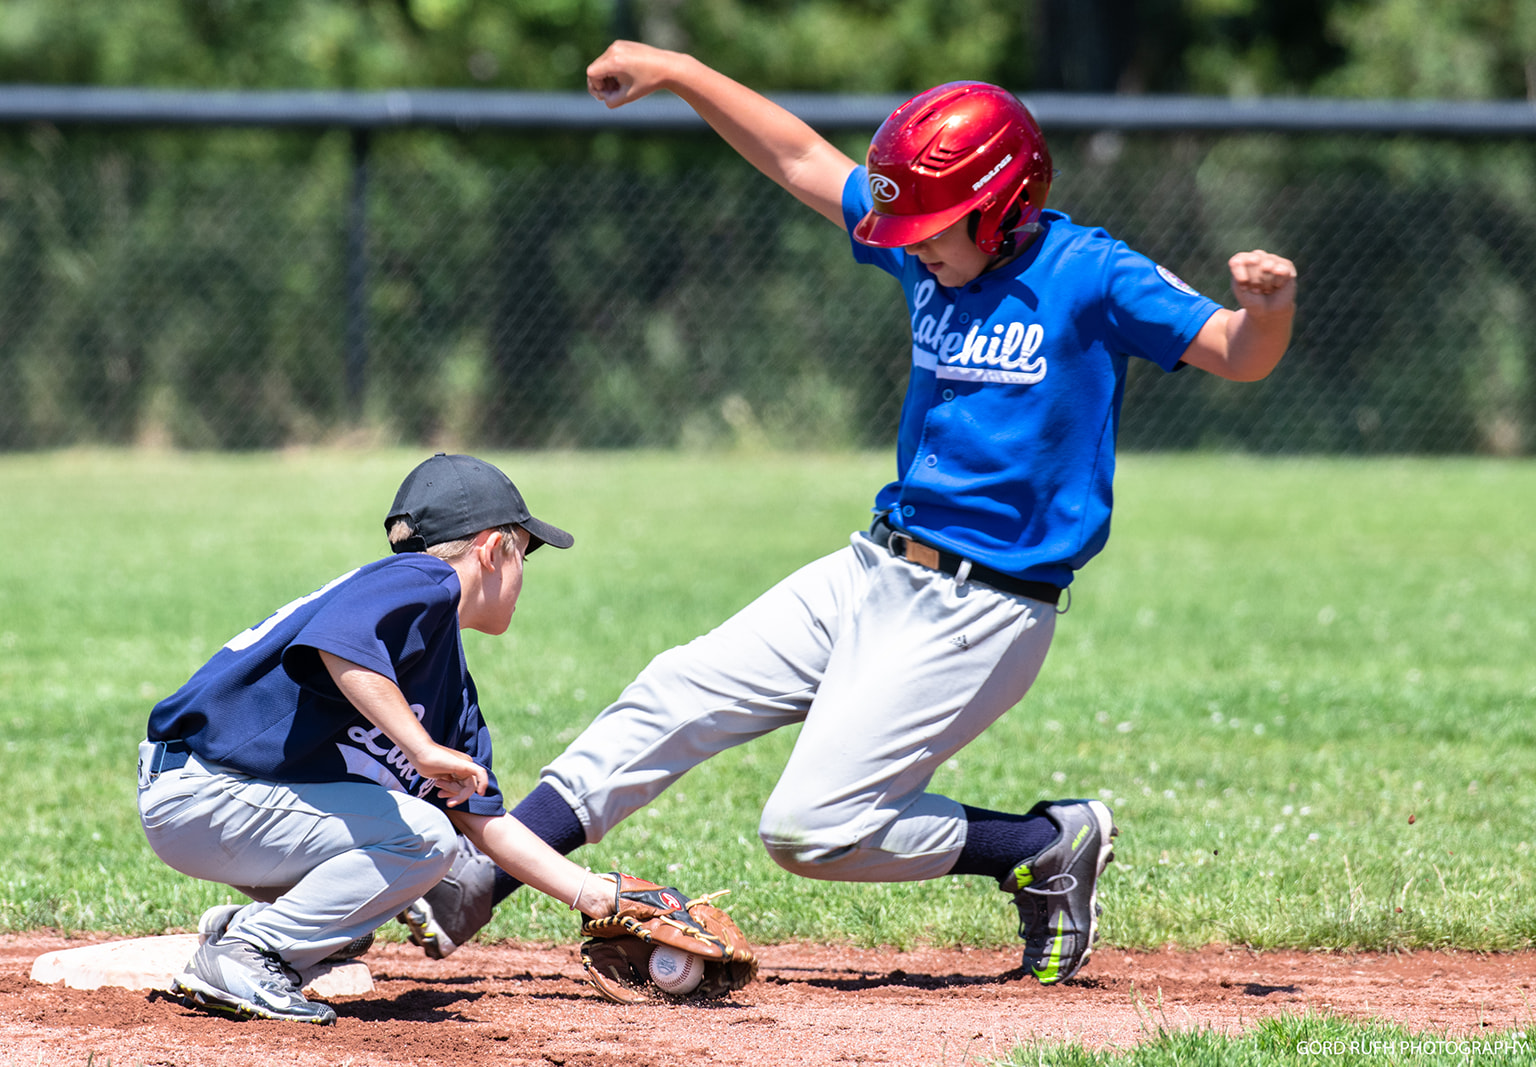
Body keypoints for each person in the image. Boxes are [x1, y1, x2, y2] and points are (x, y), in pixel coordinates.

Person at [399, 42, 1299, 986]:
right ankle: (479, 880)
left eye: (938, 225)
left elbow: (1238, 354)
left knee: (809, 829)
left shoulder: (1090, 272)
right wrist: (678, 71)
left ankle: (1041, 843)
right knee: (674, 692)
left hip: (985, 607)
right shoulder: (928, 249)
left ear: (1007, 207)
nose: (912, 241)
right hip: (872, 568)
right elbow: (797, 157)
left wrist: (1265, 309)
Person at [138, 453, 638, 1023]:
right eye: (524, 553)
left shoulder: (450, 682)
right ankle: (247, 953)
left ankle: (241, 934)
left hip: (224, 801)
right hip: (204, 788)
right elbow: (338, 643)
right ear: (494, 549)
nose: (524, 574)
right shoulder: (424, 579)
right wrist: (420, 748)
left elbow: (484, 822)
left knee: (368, 902)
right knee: (423, 838)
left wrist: (597, 896)